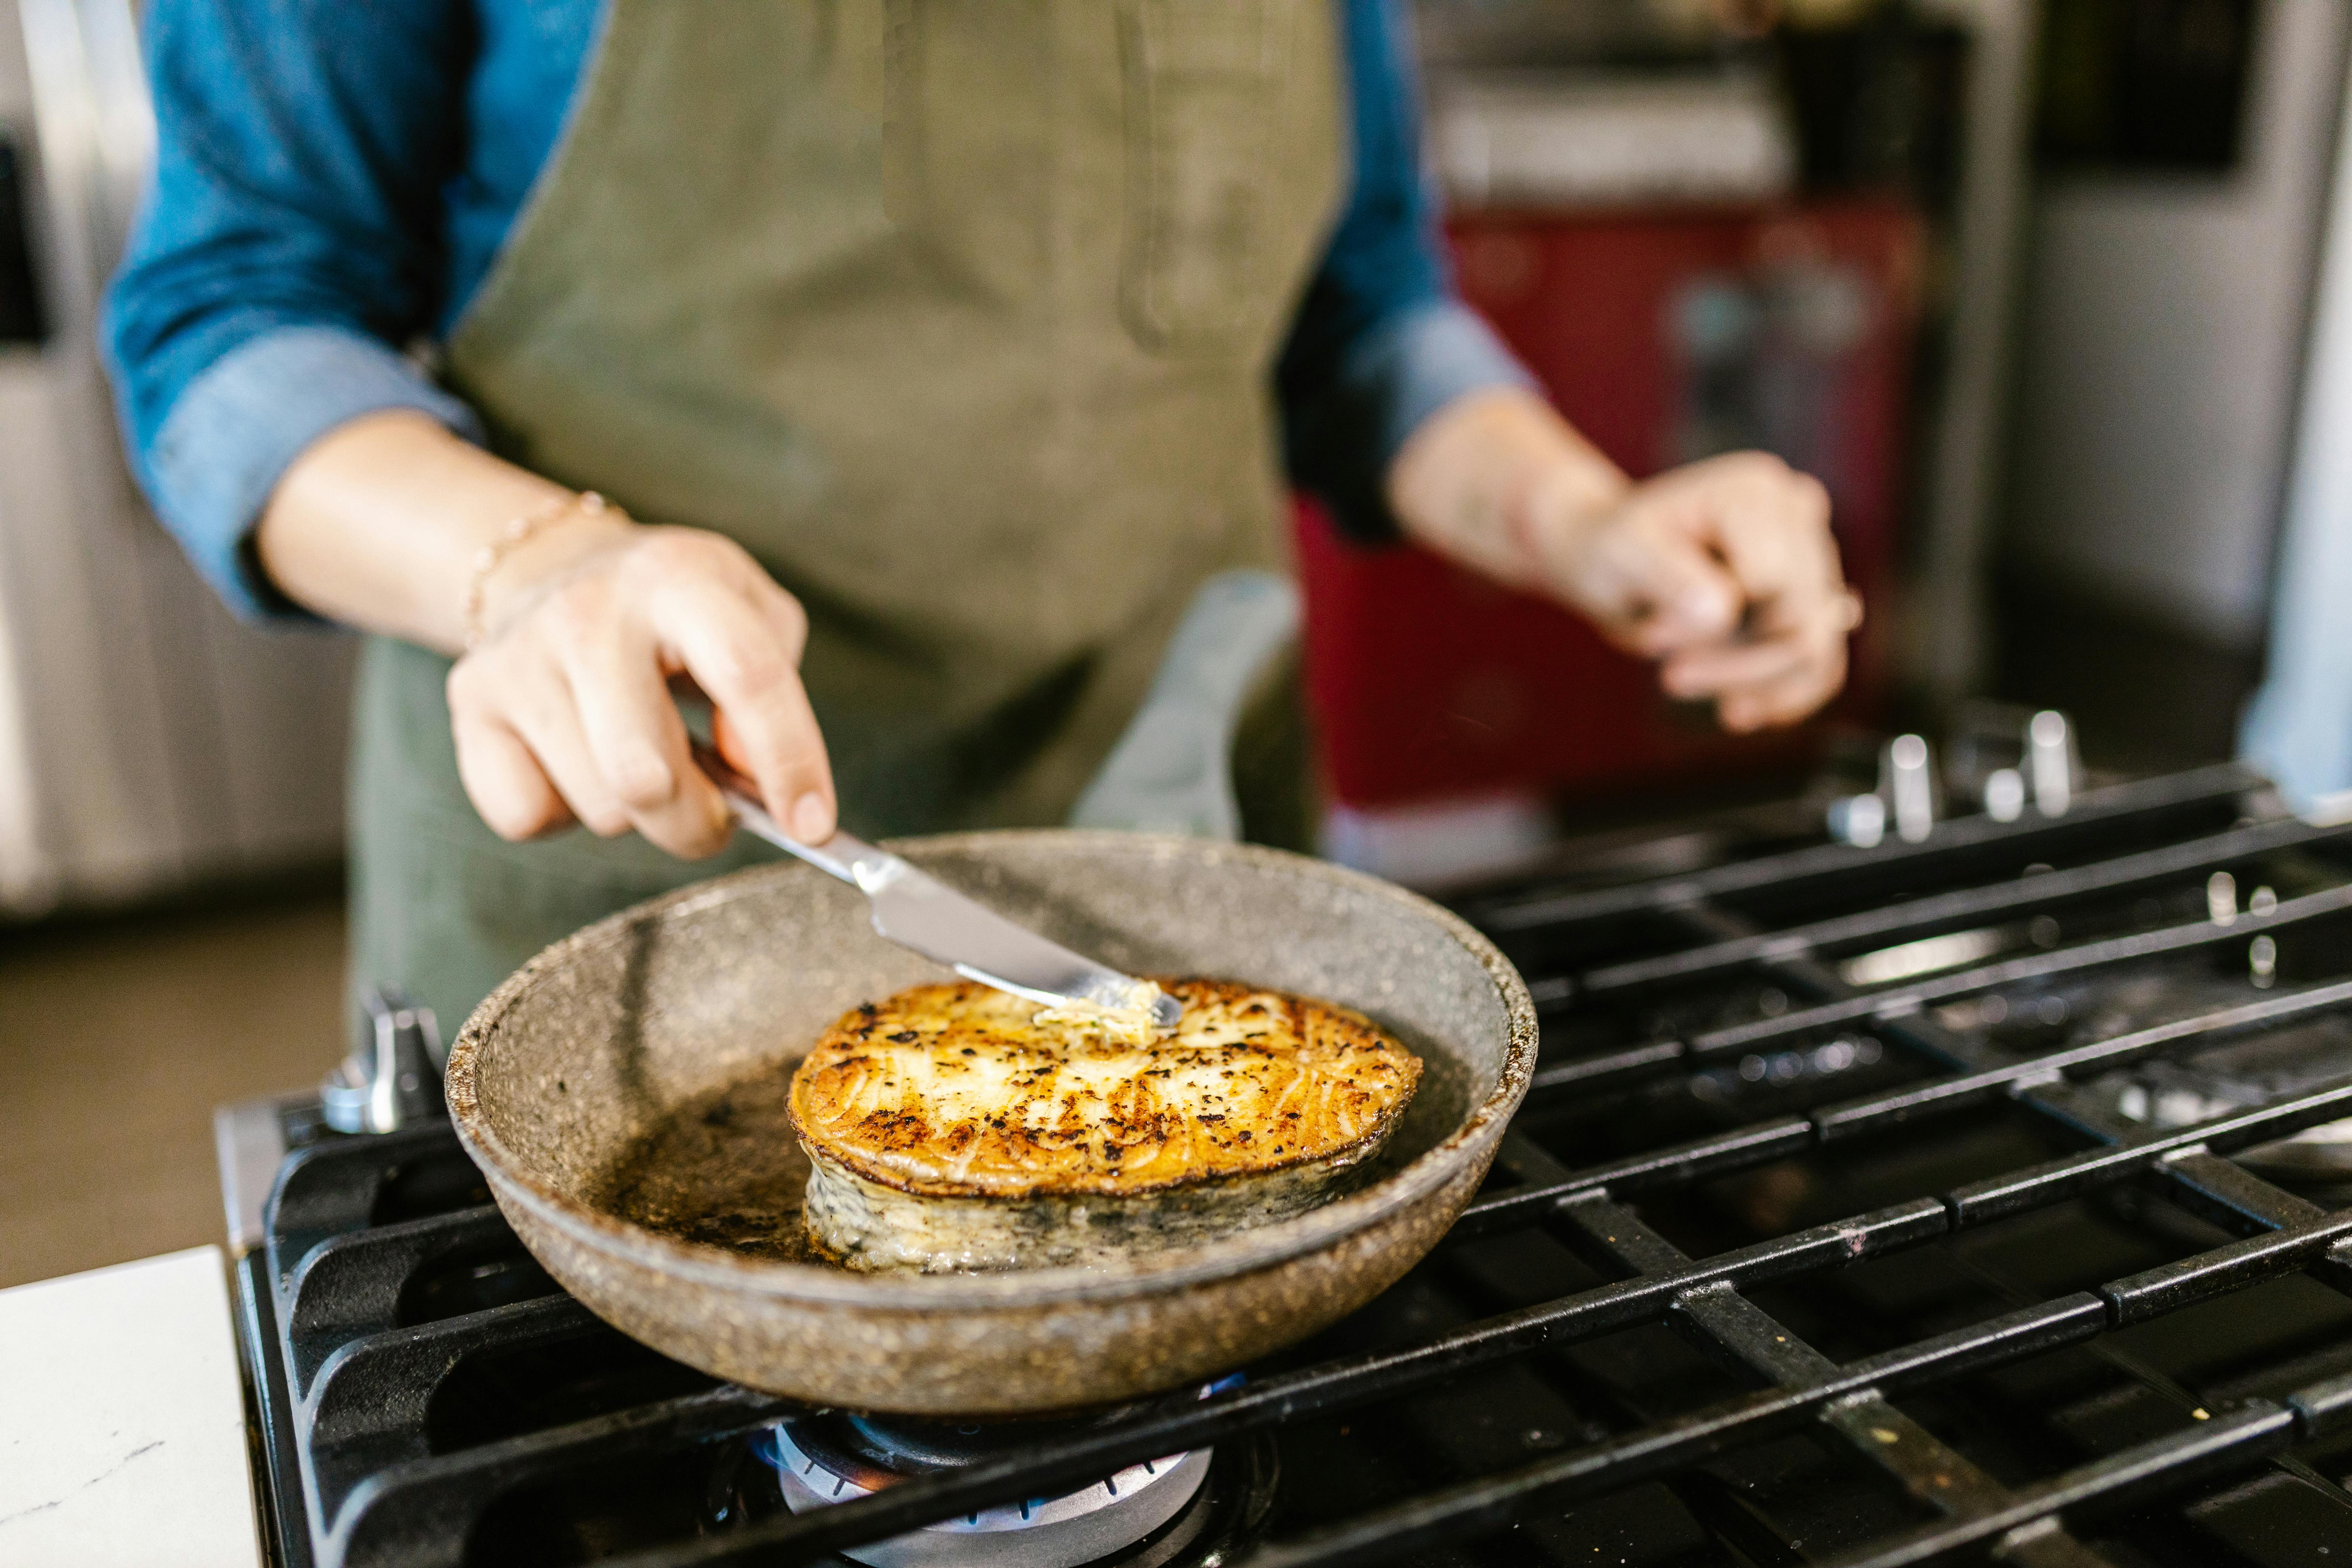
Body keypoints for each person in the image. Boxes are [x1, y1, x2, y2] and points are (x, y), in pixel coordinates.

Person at [104, 0, 1860, 1036]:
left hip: (1189, 875)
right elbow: (232, 316)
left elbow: (1363, 311)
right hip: (638, 908)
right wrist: (540, 566)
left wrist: (1589, 522)